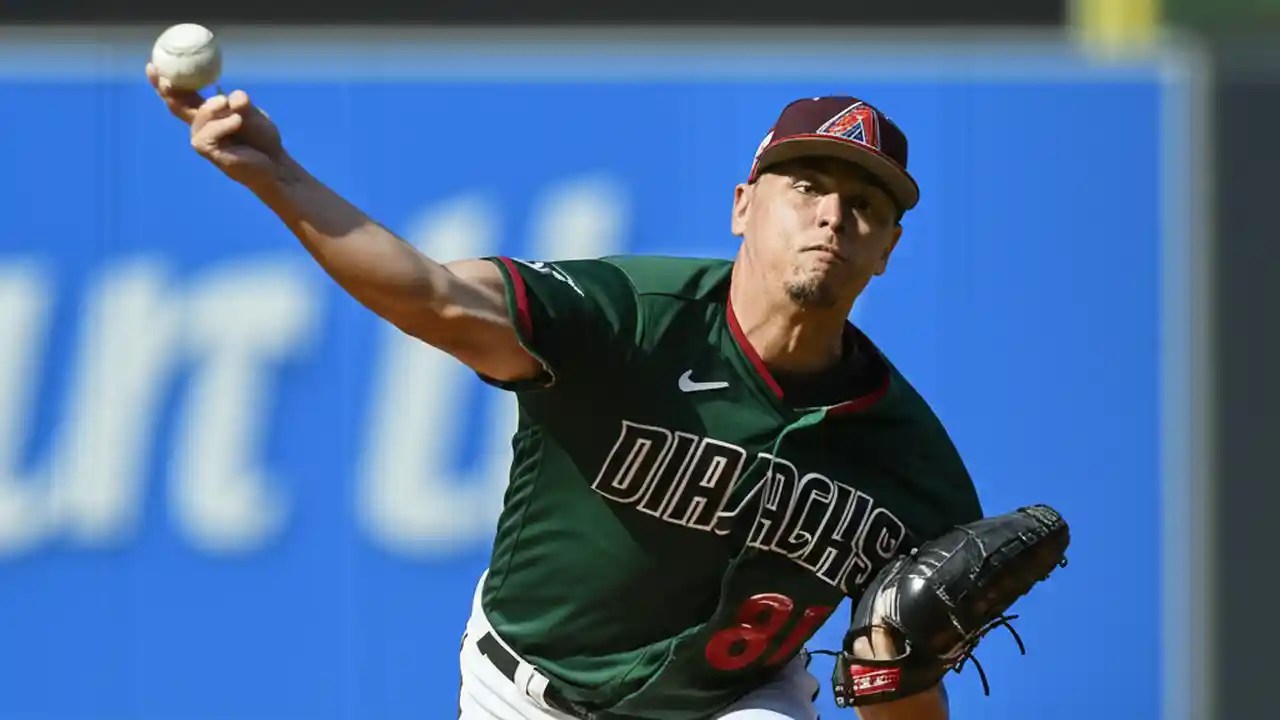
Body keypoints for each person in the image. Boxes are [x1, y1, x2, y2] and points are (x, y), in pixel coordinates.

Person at [146, 63, 983, 720]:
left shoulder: (913, 468)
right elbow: (431, 296)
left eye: (866, 204)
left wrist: (892, 667)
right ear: (742, 207)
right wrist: (276, 173)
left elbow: (902, 694)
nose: (834, 216)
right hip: (523, 692)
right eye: (805, 186)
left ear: (889, 249)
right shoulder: (628, 319)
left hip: (735, 705)